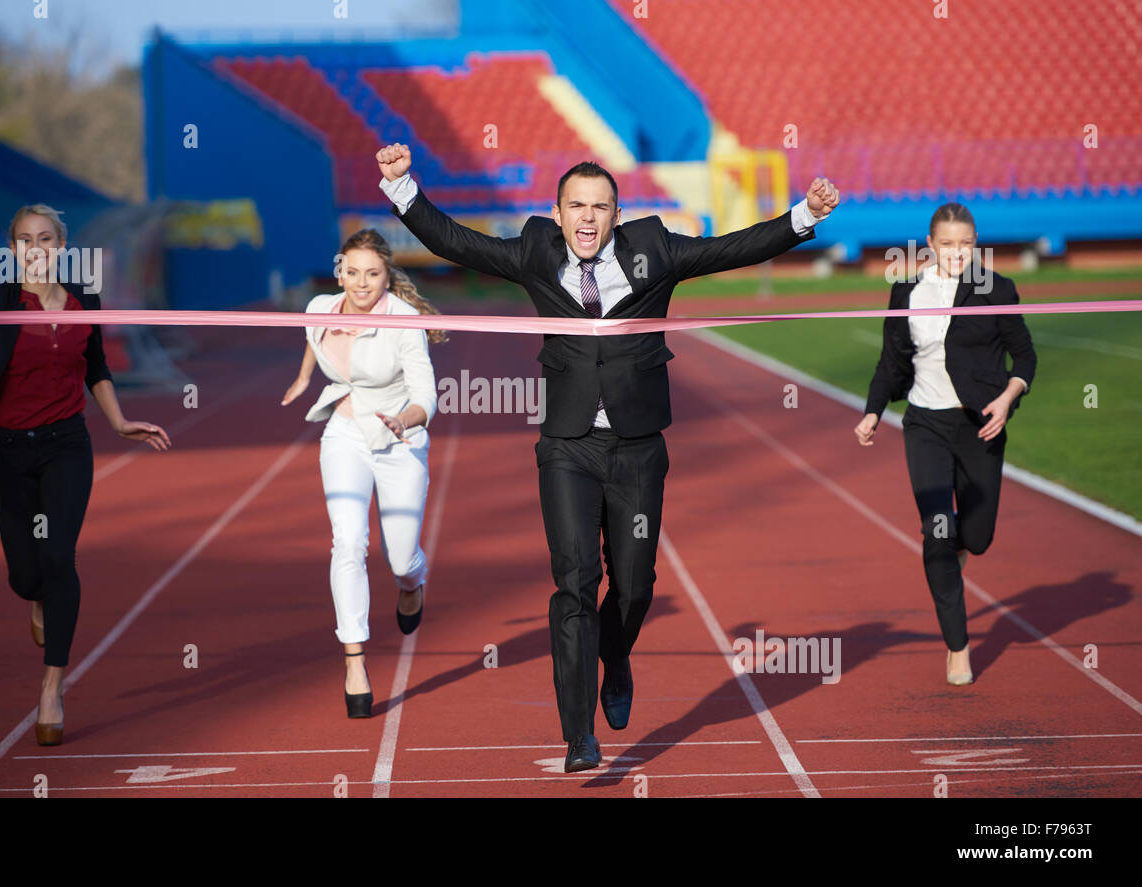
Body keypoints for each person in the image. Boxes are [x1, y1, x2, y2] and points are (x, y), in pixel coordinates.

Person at [375, 142, 839, 770]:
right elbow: (456, 242)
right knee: (573, 586)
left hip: (639, 447)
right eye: (576, 207)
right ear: (557, 213)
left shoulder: (656, 250)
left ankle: (616, 656)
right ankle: (578, 736)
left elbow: (734, 248)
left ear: (617, 215)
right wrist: (404, 187)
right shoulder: (534, 251)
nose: (587, 218)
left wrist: (803, 216)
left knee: (635, 586)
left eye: (600, 207)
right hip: (567, 447)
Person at [0, 204, 170, 746]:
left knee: (58, 557)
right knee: (26, 576)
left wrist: (119, 423)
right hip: (6, 451)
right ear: (13, 250)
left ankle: (53, 686)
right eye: (25, 240)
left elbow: (94, 368)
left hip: (66, 445)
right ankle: (37, 596)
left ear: (61, 246)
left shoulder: (83, 304)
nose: (36, 249)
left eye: (45, 239)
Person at [856, 202, 1036, 686]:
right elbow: (891, 361)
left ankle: (958, 545)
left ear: (975, 244)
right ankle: (958, 647)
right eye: (948, 244)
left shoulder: (997, 289)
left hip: (979, 427)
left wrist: (1006, 400)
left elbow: (1024, 358)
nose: (957, 253)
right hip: (925, 427)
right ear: (931, 245)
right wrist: (874, 411)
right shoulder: (907, 290)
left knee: (976, 539)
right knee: (937, 533)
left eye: (966, 244)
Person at [281, 228, 442, 718]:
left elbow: (426, 395)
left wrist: (405, 421)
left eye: (372, 274)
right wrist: (306, 374)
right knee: (348, 542)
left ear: (386, 275)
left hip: (398, 437)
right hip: (345, 432)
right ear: (339, 272)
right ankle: (354, 660)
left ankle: (412, 584)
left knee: (399, 558)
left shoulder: (405, 321)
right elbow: (315, 338)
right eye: (352, 273)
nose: (362, 283)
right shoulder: (318, 308)